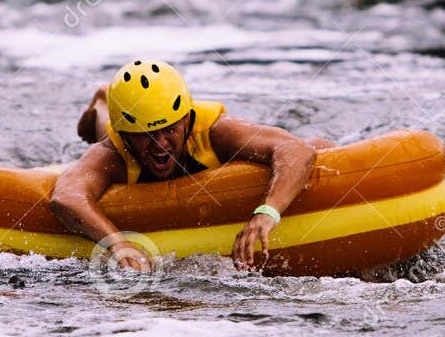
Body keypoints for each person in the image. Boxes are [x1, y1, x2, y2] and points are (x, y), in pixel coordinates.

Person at [52, 59, 329, 271]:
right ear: (125, 136)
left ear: (186, 120)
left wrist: (267, 212)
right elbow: (65, 197)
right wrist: (116, 242)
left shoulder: (216, 131)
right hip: (115, 128)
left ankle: (108, 102)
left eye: (169, 130)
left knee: (320, 145)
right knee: (103, 127)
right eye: (146, 136)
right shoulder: (114, 148)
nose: (160, 144)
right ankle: (102, 104)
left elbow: (296, 150)